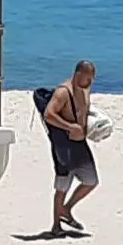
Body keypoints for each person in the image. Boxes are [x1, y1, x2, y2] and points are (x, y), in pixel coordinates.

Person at [43, 59, 99, 234]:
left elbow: (84, 109)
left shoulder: (85, 89)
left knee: (91, 181)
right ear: (77, 75)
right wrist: (70, 127)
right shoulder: (63, 92)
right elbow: (49, 114)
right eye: (87, 78)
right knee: (62, 186)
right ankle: (55, 225)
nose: (90, 82)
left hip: (81, 144)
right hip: (64, 144)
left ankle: (66, 209)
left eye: (92, 79)